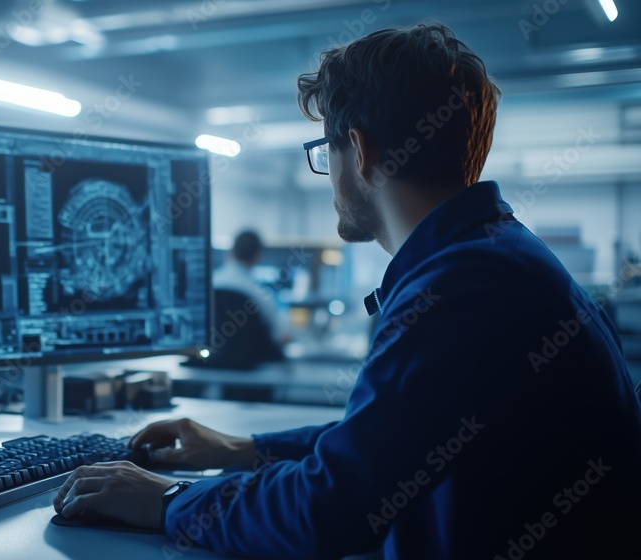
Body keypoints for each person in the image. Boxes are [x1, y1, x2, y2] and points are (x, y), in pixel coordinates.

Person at [52, 22, 641, 559]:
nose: (326, 175)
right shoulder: (493, 259)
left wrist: (169, 500)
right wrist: (246, 449)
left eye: (323, 152)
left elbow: (331, 509)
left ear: (359, 152)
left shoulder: (461, 287)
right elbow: (387, 443)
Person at [212, 229, 292, 347]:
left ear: (231, 252)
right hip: (250, 364)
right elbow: (282, 336)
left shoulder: (212, 283)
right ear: (257, 256)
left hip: (207, 362)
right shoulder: (260, 294)